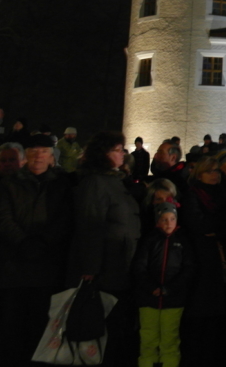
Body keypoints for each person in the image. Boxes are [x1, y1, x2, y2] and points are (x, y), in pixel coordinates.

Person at [0, 133, 73, 366]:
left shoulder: (62, 185)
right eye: (33, 152)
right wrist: (24, 242)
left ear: (51, 158)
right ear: (25, 157)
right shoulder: (9, 184)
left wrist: (43, 243)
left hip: (46, 268)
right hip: (13, 268)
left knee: (42, 327)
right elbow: (2, 218)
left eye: (44, 152)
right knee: (11, 328)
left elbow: (64, 220)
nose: (38, 157)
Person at [69, 131, 142, 366]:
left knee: (117, 325)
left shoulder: (114, 180)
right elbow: (91, 225)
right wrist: (90, 268)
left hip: (120, 262)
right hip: (108, 268)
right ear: (104, 154)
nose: (123, 154)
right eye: (118, 150)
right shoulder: (96, 182)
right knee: (105, 326)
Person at [181, 155, 226, 365]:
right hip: (201, 259)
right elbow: (198, 225)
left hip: (221, 259)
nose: (215, 175)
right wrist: (217, 226)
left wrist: (217, 228)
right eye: (210, 171)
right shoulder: (193, 194)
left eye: (217, 171)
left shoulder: (225, 194)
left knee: (219, 312)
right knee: (201, 309)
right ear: (199, 173)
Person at [132, 201, 195, 367]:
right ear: (157, 221)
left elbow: (188, 269)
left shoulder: (183, 241)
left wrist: (170, 288)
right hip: (148, 299)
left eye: (172, 219)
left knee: (170, 338)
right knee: (148, 337)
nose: (169, 223)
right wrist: (151, 287)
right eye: (164, 219)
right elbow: (139, 266)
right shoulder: (149, 240)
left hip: (173, 299)